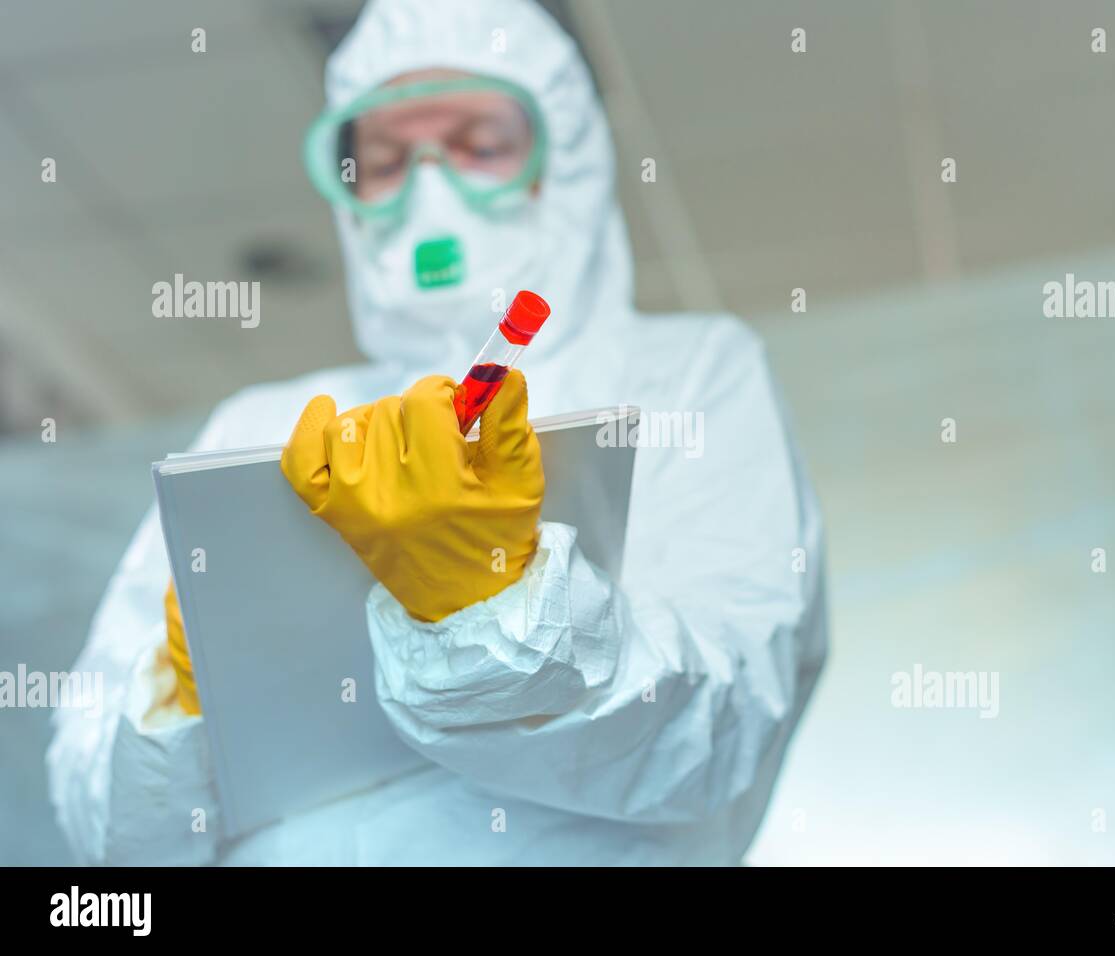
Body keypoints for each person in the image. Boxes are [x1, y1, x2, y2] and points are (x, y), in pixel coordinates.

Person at [46, 0, 826, 866]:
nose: (428, 186)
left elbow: (724, 730)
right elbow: (111, 842)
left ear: (561, 157)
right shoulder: (258, 424)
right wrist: (187, 696)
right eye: (385, 158)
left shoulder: (688, 374)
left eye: (480, 145)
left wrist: (497, 609)